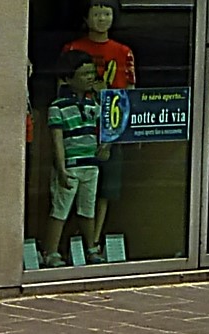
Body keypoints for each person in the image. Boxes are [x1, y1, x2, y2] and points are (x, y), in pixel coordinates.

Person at [62, 1, 136, 254]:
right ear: (86, 17)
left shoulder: (123, 52)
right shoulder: (73, 48)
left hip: (110, 129)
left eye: (107, 13)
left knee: (105, 188)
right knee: (70, 188)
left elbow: (129, 95)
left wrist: (112, 138)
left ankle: (92, 241)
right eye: (97, 13)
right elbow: (60, 87)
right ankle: (68, 243)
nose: (102, 19)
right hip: (77, 128)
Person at [41, 51, 106, 268]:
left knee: (88, 208)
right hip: (70, 165)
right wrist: (60, 167)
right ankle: (50, 251)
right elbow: (57, 140)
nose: (90, 77)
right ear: (69, 78)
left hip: (91, 164)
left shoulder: (95, 104)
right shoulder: (58, 107)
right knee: (60, 209)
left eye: (91, 72)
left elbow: (108, 128)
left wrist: (105, 147)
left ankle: (91, 247)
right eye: (84, 73)